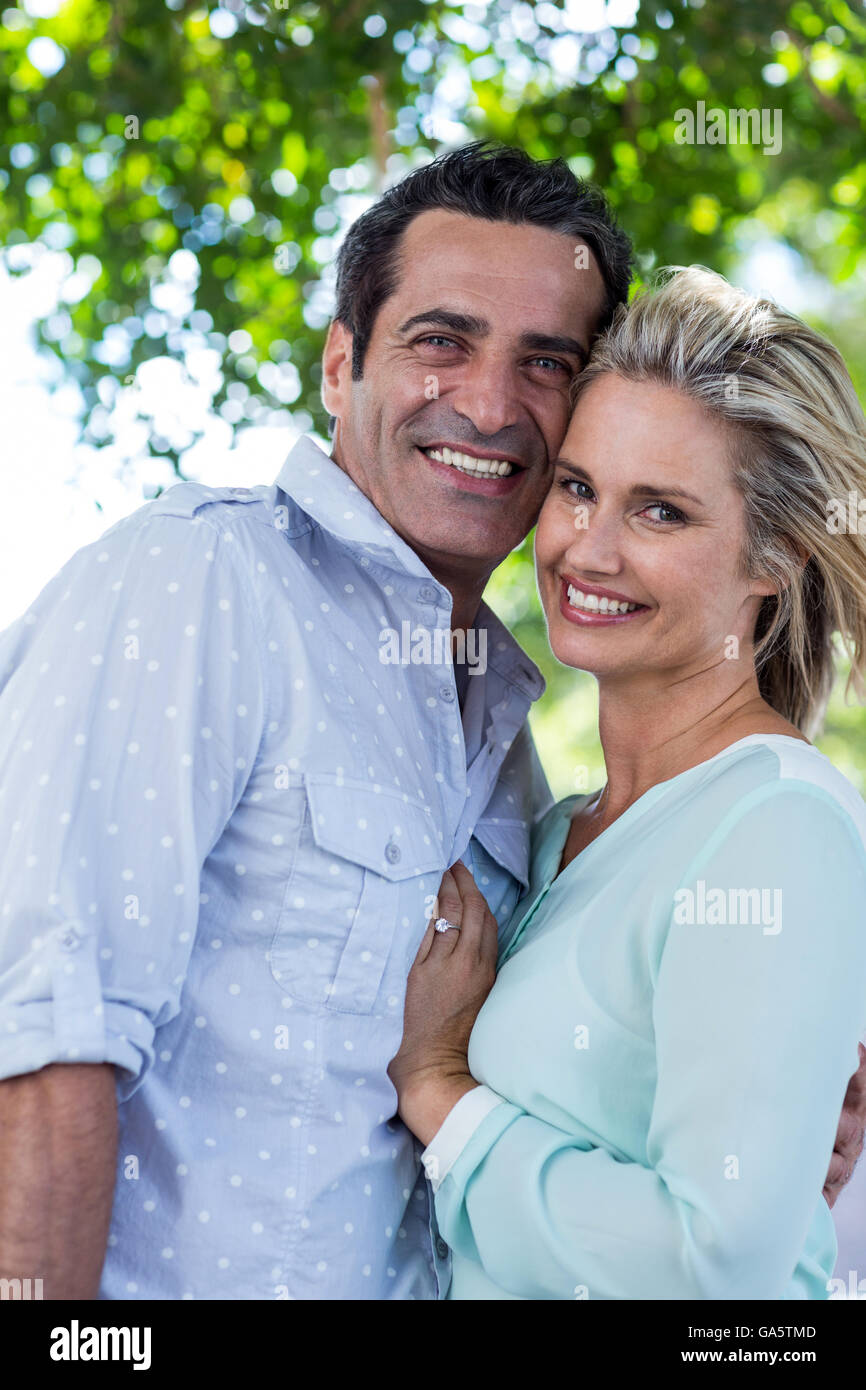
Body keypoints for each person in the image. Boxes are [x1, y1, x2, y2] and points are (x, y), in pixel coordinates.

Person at [0, 144, 861, 1301]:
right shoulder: (198, 580)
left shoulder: (512, 750)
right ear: (340, 361)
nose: (491, 404)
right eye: (439, 339)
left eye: (544, 361)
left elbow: (698, 1231)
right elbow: (43, 1037)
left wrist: (771, 1092)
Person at [388, 267, 866, 1299]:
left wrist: (440, 1092)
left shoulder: (774, 823)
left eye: (658, 512)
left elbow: (710, 1266)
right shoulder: (556, 829)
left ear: (773, 554)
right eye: (575, 487)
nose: (584, 550)